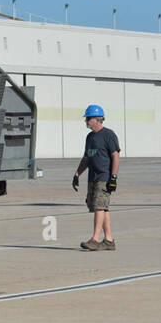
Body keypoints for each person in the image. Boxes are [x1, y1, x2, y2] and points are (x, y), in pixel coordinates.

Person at [72, 104, 121, 250]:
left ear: (98, 119)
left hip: (104, 177)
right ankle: (109, 240)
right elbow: (86, 157)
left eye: (88, 118)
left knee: (99, 207)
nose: (86, 121)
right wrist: (77, 174)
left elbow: (116, 156)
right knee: (102, 208)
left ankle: (95, 239)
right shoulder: (90, 137)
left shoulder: (108, 135)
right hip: (92, 177)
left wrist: (113, 177)